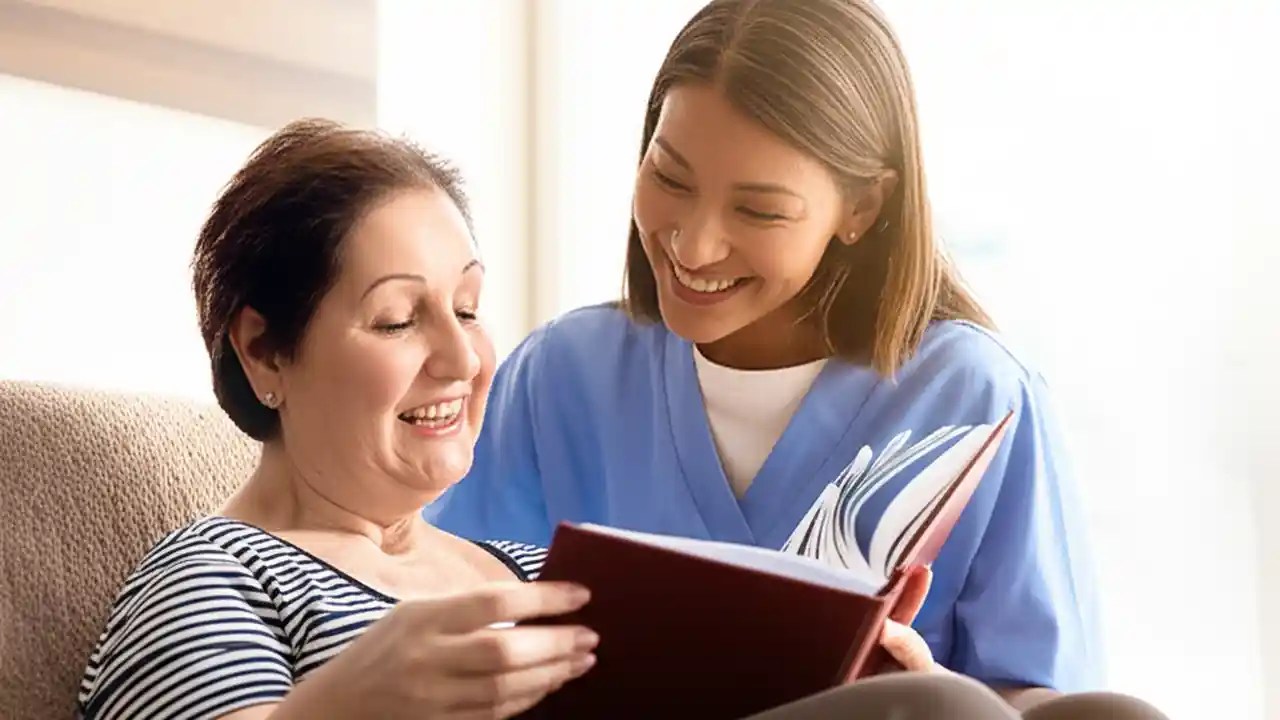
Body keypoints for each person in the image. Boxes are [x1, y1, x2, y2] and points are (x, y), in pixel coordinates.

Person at [75, 118, 1167, 720]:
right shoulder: (217, 573)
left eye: (466, 304)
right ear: (264, 349)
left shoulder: (525, 567)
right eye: (401, 318)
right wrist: (341, 712)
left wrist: (859, 665)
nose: (464, 355)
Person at [423, 0, 1122, 713]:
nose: (693, 246)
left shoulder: (976, 395)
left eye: (757, 211)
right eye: (669, 178)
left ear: (863, 208)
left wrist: (929, 690)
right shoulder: (563, 377)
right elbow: (441, 621)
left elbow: (1045, 688)